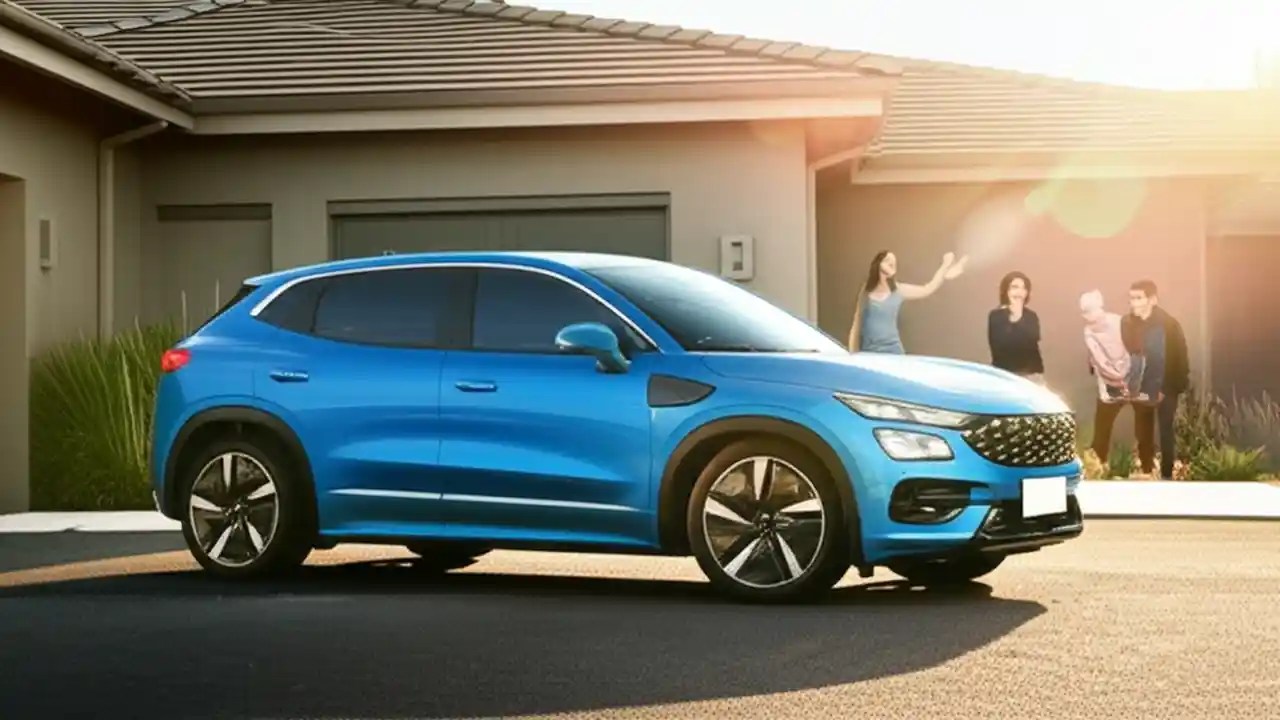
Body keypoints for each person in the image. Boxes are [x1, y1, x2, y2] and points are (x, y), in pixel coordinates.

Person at [1123, 280, 1190, 480]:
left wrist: (1172, 387)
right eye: (1131, 298)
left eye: (1139, 298)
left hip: (1166, 387)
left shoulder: (1169, 325)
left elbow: (1180, 357)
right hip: (1142, 386)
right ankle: (1146, 470)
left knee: (1165, 430)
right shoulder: (1129, 323)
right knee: (1143, 430)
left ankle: (1167, 475)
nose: (1134, 303)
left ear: (1152, 300)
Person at [847, 250, 967, 353]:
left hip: (893, 351)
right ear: (878, 264)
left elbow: (927, 289)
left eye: (894, 262)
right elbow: (856, 323)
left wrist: (945, 265)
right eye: (887, 259)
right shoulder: (866, 291)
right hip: (869, 352)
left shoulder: (898, 290)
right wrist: (852, 354)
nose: (891, 263)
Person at [1080, 289, 1143, 467]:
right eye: (1086, 311)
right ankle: (1099, 461)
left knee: (1143, 414)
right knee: (1103, 420)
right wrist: (1116, 378)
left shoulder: (1118, 322)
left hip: (1132, 375)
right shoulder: (1088, 332)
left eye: (1092, 310)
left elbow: (1133, 348)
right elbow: (1099, 360)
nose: (1091, 316)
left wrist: (1129, 377)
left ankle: (1146, 457)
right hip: (1109, 381)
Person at [987, 271, 1045, 383]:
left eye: (1024, 288)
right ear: (1006, 291)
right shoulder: (995, 316)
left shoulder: (1031, 316)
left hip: (1031, 375)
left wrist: (1019, 316)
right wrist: (1015, 316)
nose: (1019, 292)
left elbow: (1031, 341)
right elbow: (1000, 346)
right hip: (1004, 376)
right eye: (1014, 287)